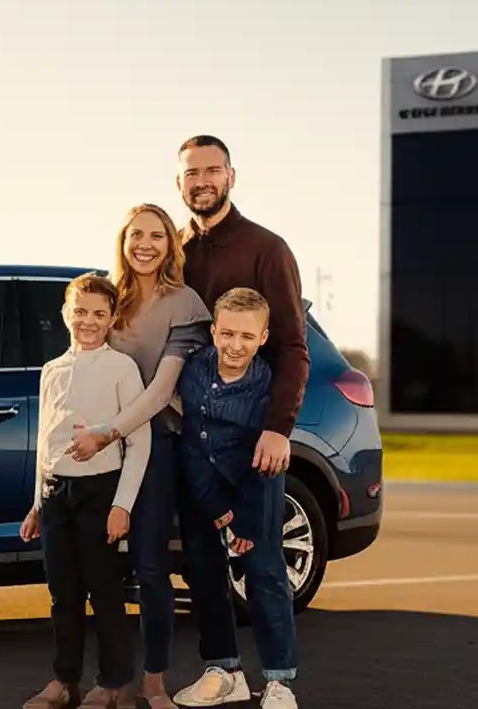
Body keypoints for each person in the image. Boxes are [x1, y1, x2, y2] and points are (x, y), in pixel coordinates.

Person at [170, 135, 305, 709]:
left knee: (263, 563)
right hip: (194, 431)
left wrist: (278, 426)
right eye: (190, 173)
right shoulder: (175, 249)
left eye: (211, 170)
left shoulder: (266, 248)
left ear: (230, 176)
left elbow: (294, 347)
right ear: (179, 183)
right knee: (201, 561)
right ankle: (224, 671)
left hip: (255, 437)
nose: (201, 180)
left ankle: (278, 681)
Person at [65, 203, 213, 709]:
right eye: (136, 235)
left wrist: (107, 433)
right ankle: (112, 681)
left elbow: (159, 391)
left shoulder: (185, 303)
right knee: (102, 575)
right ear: (123, 241)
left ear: (171, 245)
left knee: (149, 569)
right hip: (97, 454)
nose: (146, 244)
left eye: (157, 235)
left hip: (153, 447)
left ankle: (153, 680)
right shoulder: (109, 299)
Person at [19, 272, 151, 709]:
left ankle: (113, 683)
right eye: (80, 312)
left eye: (98, 313)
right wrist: (38, 504)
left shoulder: (121, 368)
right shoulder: (51, 371)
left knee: (104, 591)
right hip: (57, 497)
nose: (88, 321)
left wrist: (122, 505)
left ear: (112, 318)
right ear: (65, 314)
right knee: (63, 594)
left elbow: (140, 440)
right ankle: (63, 681)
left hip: (101, 494)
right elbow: (46, 441)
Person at [179, 289, 277, 558]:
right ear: (213, 332)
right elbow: (190, 438)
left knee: (253, 563)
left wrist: (242, 518)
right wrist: (216, 507)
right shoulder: (193, 368)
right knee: (200, 571)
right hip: (198, 485)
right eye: (227, 334)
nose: (235, 345)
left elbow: (258, 464)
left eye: (247, 337)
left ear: (263, 338)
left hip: (239, 487)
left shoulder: (265, 389)